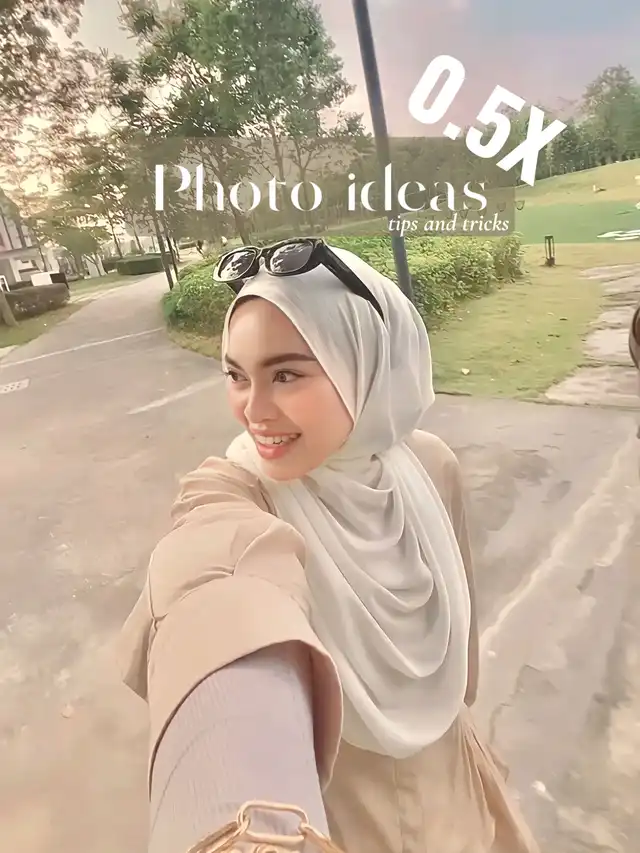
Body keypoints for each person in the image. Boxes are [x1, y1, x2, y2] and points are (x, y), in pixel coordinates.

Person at [116, 238, 540, 853]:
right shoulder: (241, 491)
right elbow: (210, 579)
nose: (253, 410)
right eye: (236, 376)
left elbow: (460, 624)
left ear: (364, 365)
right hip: (337, 814)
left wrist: (459, 703)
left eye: (285, 374)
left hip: (454, 778)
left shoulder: (425, 465)